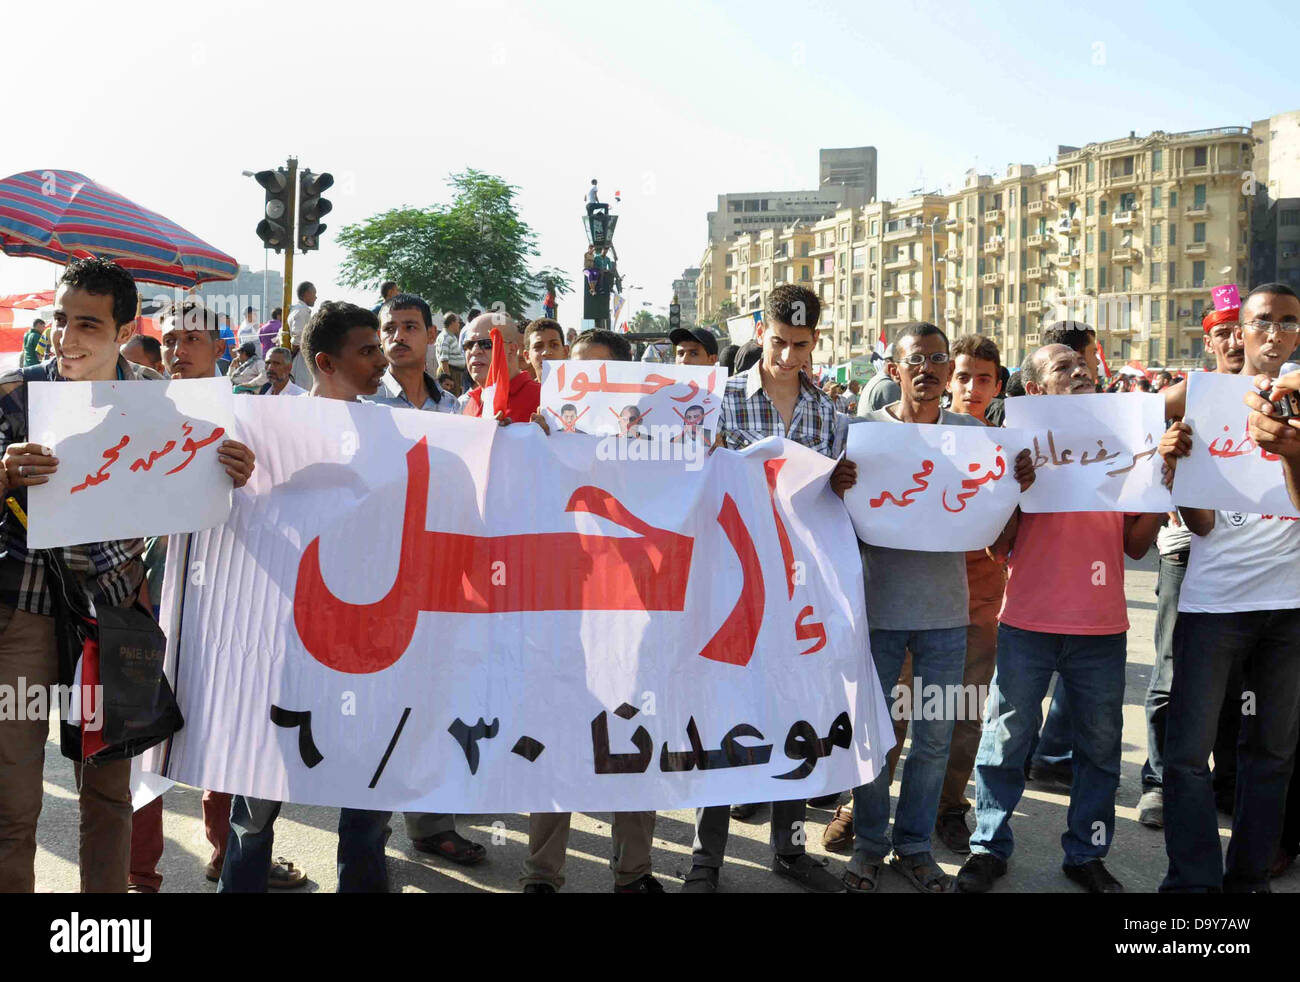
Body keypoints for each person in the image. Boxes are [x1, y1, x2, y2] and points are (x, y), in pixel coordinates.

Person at [0, 259, 252, 894]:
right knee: (11, 803)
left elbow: (200, 492)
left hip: (112, 624)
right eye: (61, 319)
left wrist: (233, 471)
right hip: (21, 617)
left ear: (121, 331)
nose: (67, 337)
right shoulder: (13, 396)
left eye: (87, 323)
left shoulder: (159, 402)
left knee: (111, 797)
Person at [956, 342, 1163, 894]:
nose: (1077, 372)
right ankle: (987, 848)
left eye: (1083, 366)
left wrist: (1163, 489)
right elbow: (998, 549)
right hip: (1027, 621)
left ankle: (1087, 853)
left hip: (1101, 628)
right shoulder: (1020, 450)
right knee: (1006, 740)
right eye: (1061, 368)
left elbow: (1138, 546)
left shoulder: (1126, 445)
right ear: (1038, 389)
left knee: (1098, 750)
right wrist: (1012, 493)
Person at [840, 327, 1033, 894]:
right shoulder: (859, 435)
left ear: (950, 371)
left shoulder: (976, 437)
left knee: (933, 735)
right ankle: (871, 844)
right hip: (875, 614)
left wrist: (1017, 487)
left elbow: (1002, 530)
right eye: (913, 359)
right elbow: (826, 518)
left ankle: (915, 846)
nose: (926, 368)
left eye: (936, 359)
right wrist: (837, 483)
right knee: (873, 736)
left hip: (947, 617)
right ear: (893, 370)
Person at [681, 284, 858, 895]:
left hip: (801, 585)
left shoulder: (830, 416)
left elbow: (836, 504)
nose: (788, 357)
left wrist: (845, 483)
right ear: (761, 333)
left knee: (796, 710)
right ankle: (707, 857)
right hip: (730, 583)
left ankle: (789, 846)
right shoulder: (722, 400)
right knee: (723, 712)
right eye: (779, 342)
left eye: (801, 346)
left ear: (816, 343)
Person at [220, 302, 392, 894]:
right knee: (258, 797)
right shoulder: (267, 431)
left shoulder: (395, 431)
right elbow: (230, 516)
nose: (381, 359)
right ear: (324, 362)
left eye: (379, 346)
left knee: (370, 797)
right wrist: (226, 475)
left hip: (372, 644)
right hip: (284, 640)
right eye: (367, 349)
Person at [128, 301, 283, 892]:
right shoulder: (138, 413)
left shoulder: (253, 418)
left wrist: (252, 474)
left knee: (227, 726)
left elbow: (281, 498)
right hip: (151, 591)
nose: (178, 349)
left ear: (220, 347)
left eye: (192, 338)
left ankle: (228, 852)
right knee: (145, 741)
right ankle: (140, 873)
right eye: (169, 339)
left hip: (230, 594)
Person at [1159, 282, 1300, 893]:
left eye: (1289, 322)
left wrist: (1293, 454)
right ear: (1238, 332)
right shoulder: (1206, 396)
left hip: (1290, 606)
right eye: (1263, 320)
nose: (1276, 332)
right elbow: (1203, 524)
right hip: (1214, 603)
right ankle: (1193, 884)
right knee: (1187, 756)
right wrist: (1177, 465)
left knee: (1271, 752)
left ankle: (1249, 880)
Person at [521, 327, 663, 894]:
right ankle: (542, 874)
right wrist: (521, 444)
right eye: (575, 371)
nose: (584, 384)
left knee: (634, 736)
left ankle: (634, 872)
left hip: (638, 609)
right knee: (556, 734)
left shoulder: (661, 441)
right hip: (563, 607)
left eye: (599, 373)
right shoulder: (541, 434)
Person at [1136, 299, 1247, 831]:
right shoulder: (1194, 390)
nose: (1235, 342)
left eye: (1240, 331)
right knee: (1170, 671)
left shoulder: (1281, 385)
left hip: (1256, 555)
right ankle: (1159, 783)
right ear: (1209, 342)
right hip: (1187, 546)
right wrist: (1166, 448)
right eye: (1223, 333)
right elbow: (1137, 421)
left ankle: (1226, 783)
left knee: (1237, 680)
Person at [933, 334, 1013, 854]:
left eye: (984, 378)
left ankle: (947, 805)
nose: (972, 387)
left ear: (998, 384)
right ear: (947, 379)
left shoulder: (1011, 448)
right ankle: (860, 803)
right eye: (963, 375)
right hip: (914, 592)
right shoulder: (915, 437)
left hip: (981, 596)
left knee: (963, 709)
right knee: (892, 706)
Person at [363, 294, 456, 415]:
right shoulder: (363, 402)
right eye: (390, 329)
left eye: (410, 327)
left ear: (431, 334)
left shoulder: (452, 406)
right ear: (379, 337)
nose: (398, 337)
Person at [459, 312, 540, 423]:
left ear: (511, 350)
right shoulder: (471, 402)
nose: (474, 351)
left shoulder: (540, 398)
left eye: (486, 343)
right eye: (469, 345)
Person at [287, 282, 316, 388]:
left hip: (301, 355)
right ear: (307, 294)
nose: (316, 297)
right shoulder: (301, 311)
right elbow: (297, 337)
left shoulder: (300, 310)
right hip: (300, 357)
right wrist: (292, 355)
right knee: (303, 389)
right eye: (314, 293)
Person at [434, 312, 469, 391]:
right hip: (451, 373)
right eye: (457, 322)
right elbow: (444, 360)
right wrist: (448, 378)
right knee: (451, 398)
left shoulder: (450, 336)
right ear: (452, 323)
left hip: (455, 373)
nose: (459, 325)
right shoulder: (446, 336)